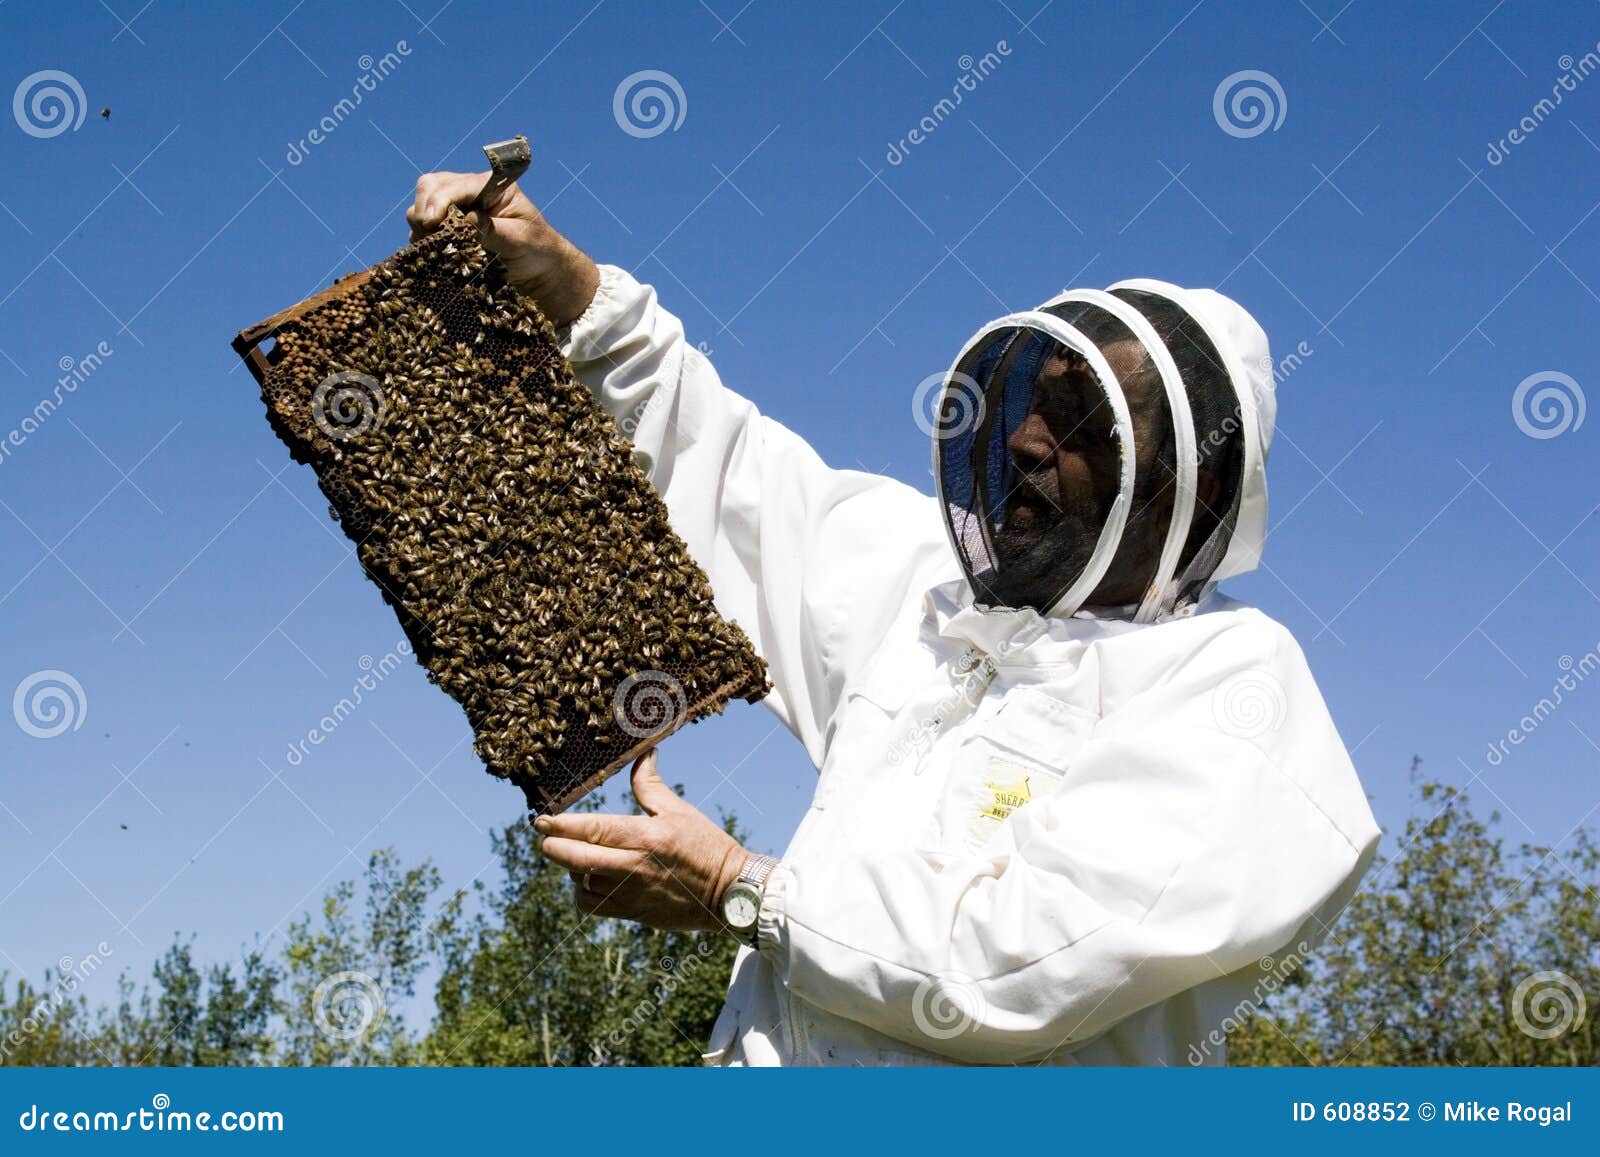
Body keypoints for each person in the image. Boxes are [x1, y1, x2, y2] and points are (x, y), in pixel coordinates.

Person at [406, 168, 1380, 1067]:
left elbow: (1022, 964)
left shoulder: (1231, 684)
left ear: (1189, 486)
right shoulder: (935, 602)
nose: (1029, 440)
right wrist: (571, 290)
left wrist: (738, 887)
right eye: (1029, 407)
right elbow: (737, 481)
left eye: (1081, 418)